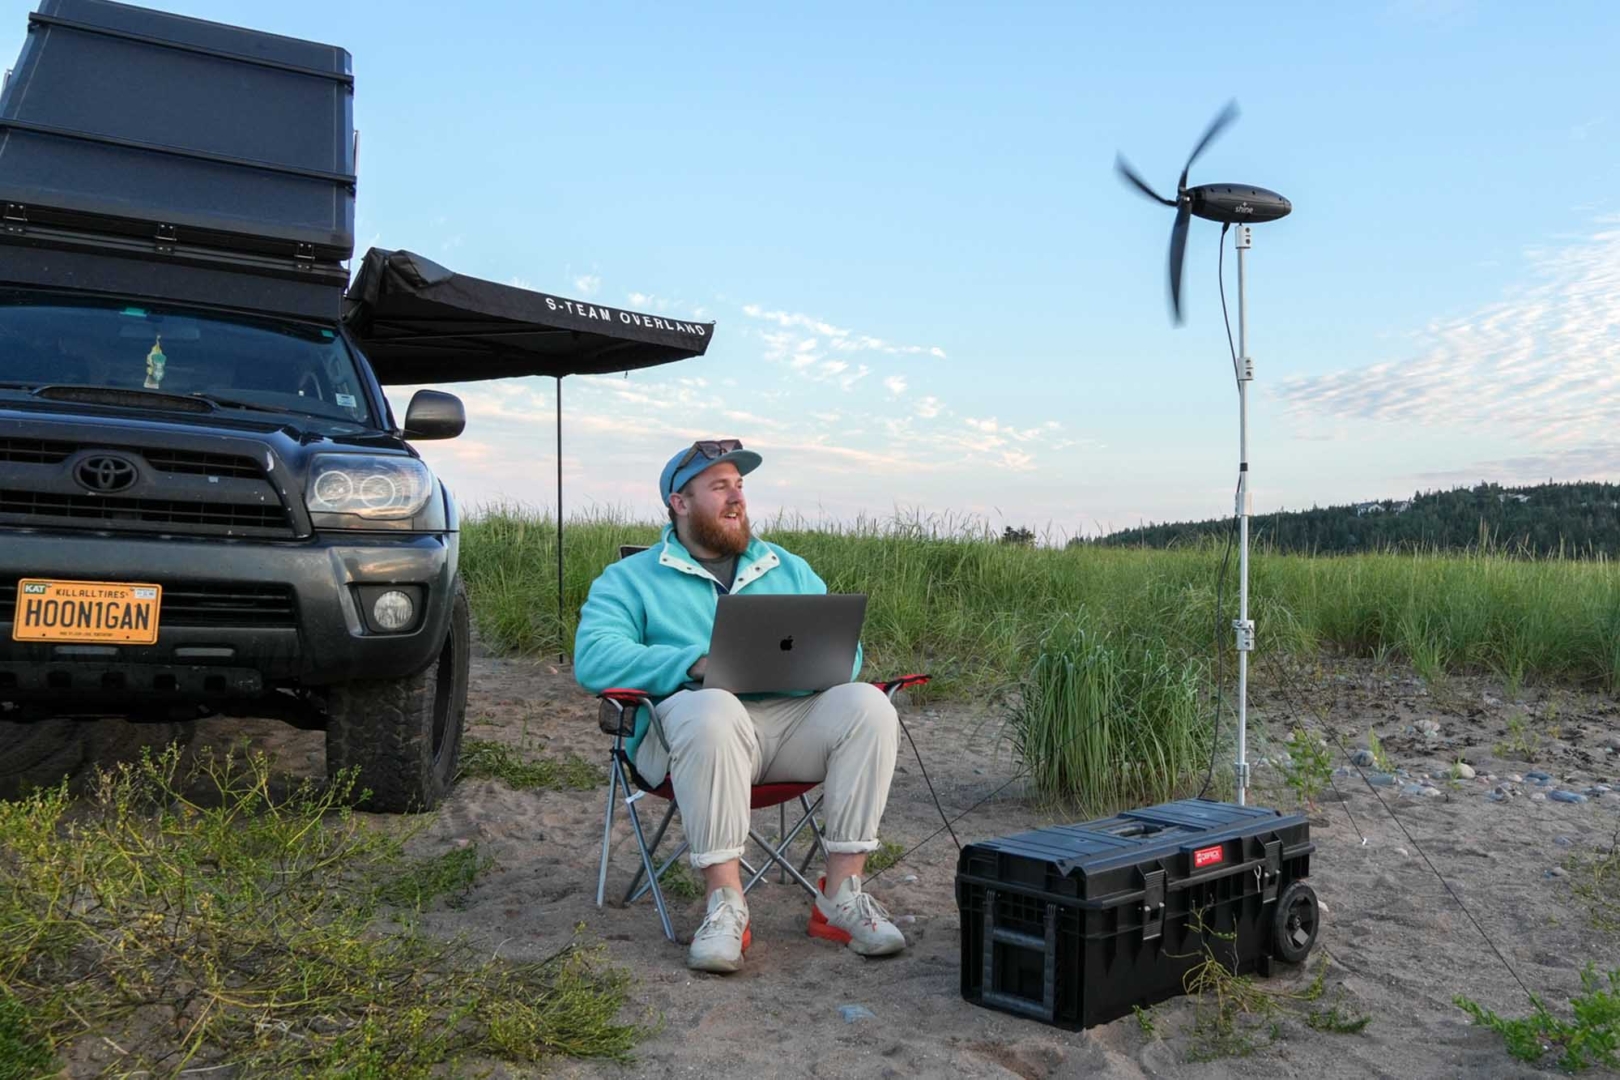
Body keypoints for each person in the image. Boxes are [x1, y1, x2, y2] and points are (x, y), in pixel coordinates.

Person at [574, 438, 907, 973]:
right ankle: (726, 906)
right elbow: (593, 658)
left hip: (787, 729)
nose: (736, 499)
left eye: (740, 486)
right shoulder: (631, 579)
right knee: (715, 709)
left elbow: (848, 655)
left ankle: (841, 897)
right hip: (685, 735)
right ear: (679, 504)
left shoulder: (785, 567)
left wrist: (819, 662)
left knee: (868, 705)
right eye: (719, 486)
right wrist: (694, 664)